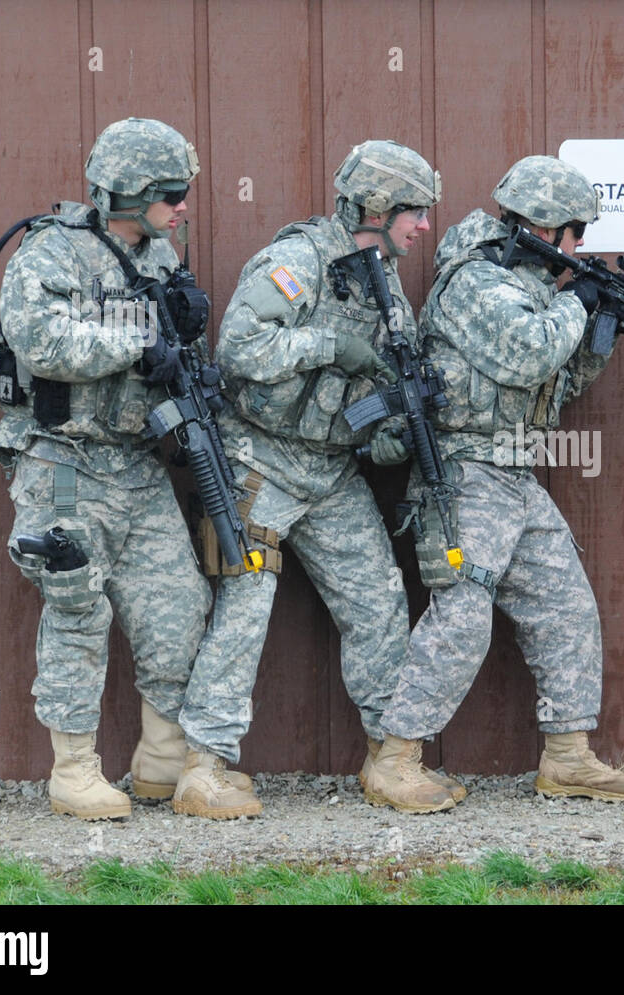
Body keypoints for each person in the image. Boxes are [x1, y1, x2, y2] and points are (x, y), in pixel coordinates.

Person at [173, 140, 452, 817]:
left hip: (329, 470)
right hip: (261, 460)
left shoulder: (385, 284)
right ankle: (203, 767)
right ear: (379, 208)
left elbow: (374, 397)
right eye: (414, 213)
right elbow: (239, 349)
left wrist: (398, 430)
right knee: (244, 607)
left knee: (377, 600)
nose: (422, 227)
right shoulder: (298, 261)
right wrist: (332, 345)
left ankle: (390, 757)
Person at [365, 155, 624, 813]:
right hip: (468, 472)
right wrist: (580, 302)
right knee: (464, 614)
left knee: (566, 606)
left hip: (515, 472)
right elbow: (528, 351)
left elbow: (557, 382)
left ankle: (568, 756)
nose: (580, 248)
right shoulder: (476, 282)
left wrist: (601, 329)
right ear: (549, 227)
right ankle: (396, 758)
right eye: (576, 233)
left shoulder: (534, 286)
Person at [0, 117, 218, 819]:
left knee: (178, 609)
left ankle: (159, 758)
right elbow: (39, 340)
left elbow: (174, 348)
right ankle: (74, 771)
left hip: (137, 466)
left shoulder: (159, 258)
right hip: (66, 461)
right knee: (77, 607)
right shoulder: (50, 251)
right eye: (171, 192)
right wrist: (137, 342)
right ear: (130, 191)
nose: (183, 206)